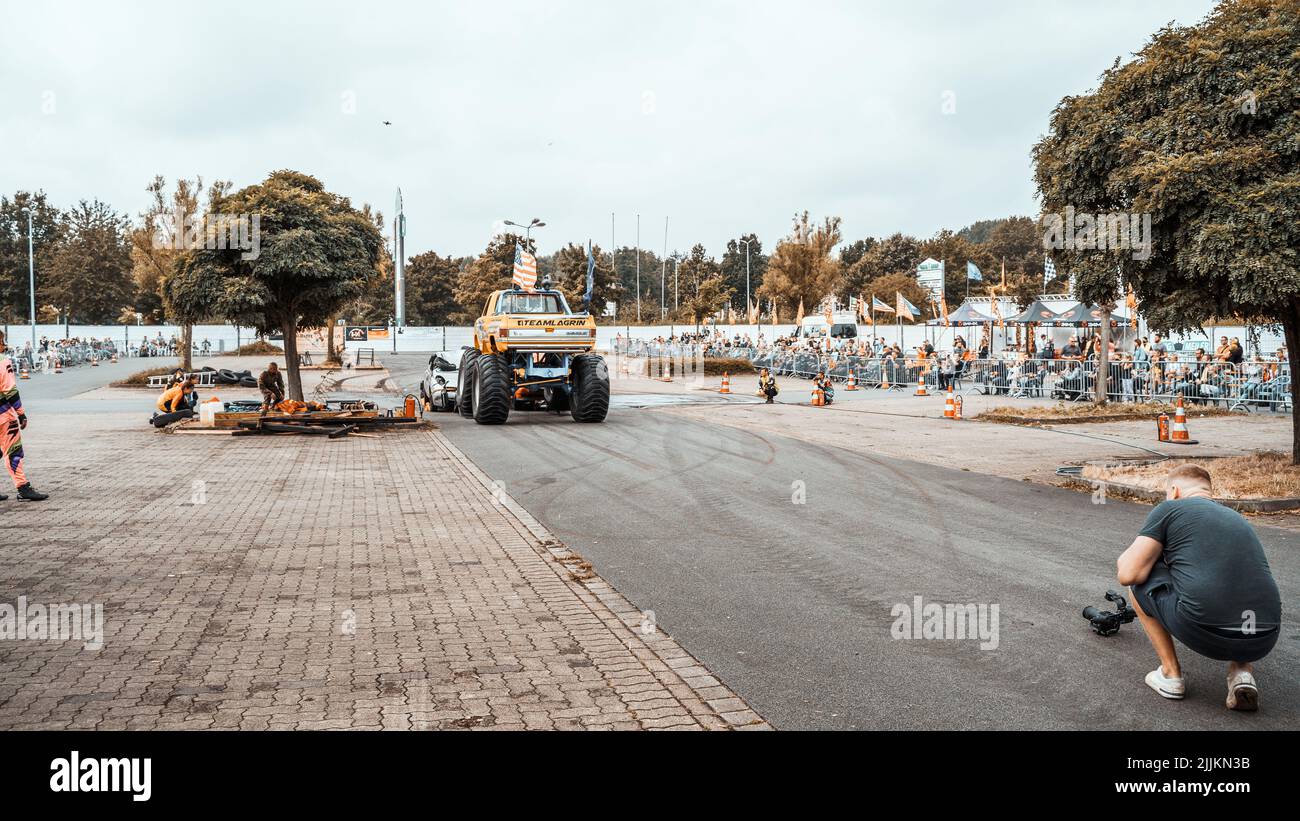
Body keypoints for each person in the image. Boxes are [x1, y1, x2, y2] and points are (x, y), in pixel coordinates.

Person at [1117, 464, 1281, 710]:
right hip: (1263, 637)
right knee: (1241, 579)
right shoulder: (1237, 518)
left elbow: (1129, 573)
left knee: (1141, 582)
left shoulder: (1169, 509)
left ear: (1174, 491)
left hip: (1206, 632)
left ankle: (1170, 675)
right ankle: (1241, 673)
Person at [0, 332, 49, 501]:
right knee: (14, 452)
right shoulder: (2, 361)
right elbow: (10, 391)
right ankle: (23, 488)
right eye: (2, 341)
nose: (4, 345)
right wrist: (21, 414)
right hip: (4, 417)